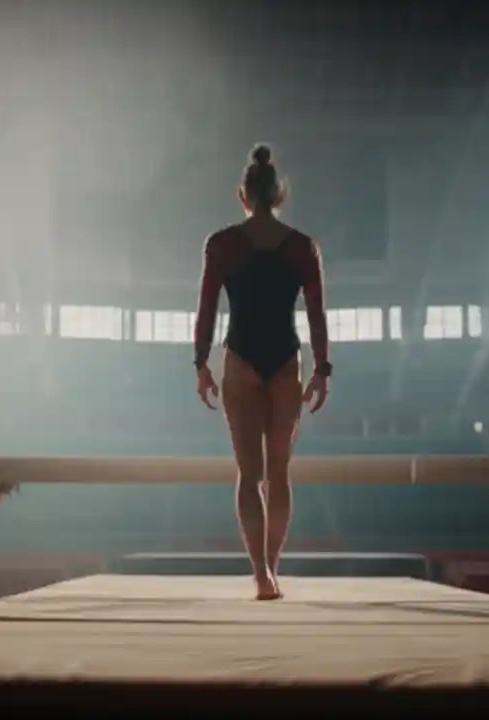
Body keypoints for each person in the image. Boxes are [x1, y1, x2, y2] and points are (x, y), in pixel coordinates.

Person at [193, 144, 332, 600]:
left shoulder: (222, 244)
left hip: (240, 360)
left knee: (249, 473)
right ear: (279, 194)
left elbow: (208, 310)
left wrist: (200, 363)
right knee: (280, 471)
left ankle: (261, 575)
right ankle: (271, 568)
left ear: (243, 194)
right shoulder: (301, 246)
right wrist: (322, 369)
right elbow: (316, 315)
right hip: (285, 360)